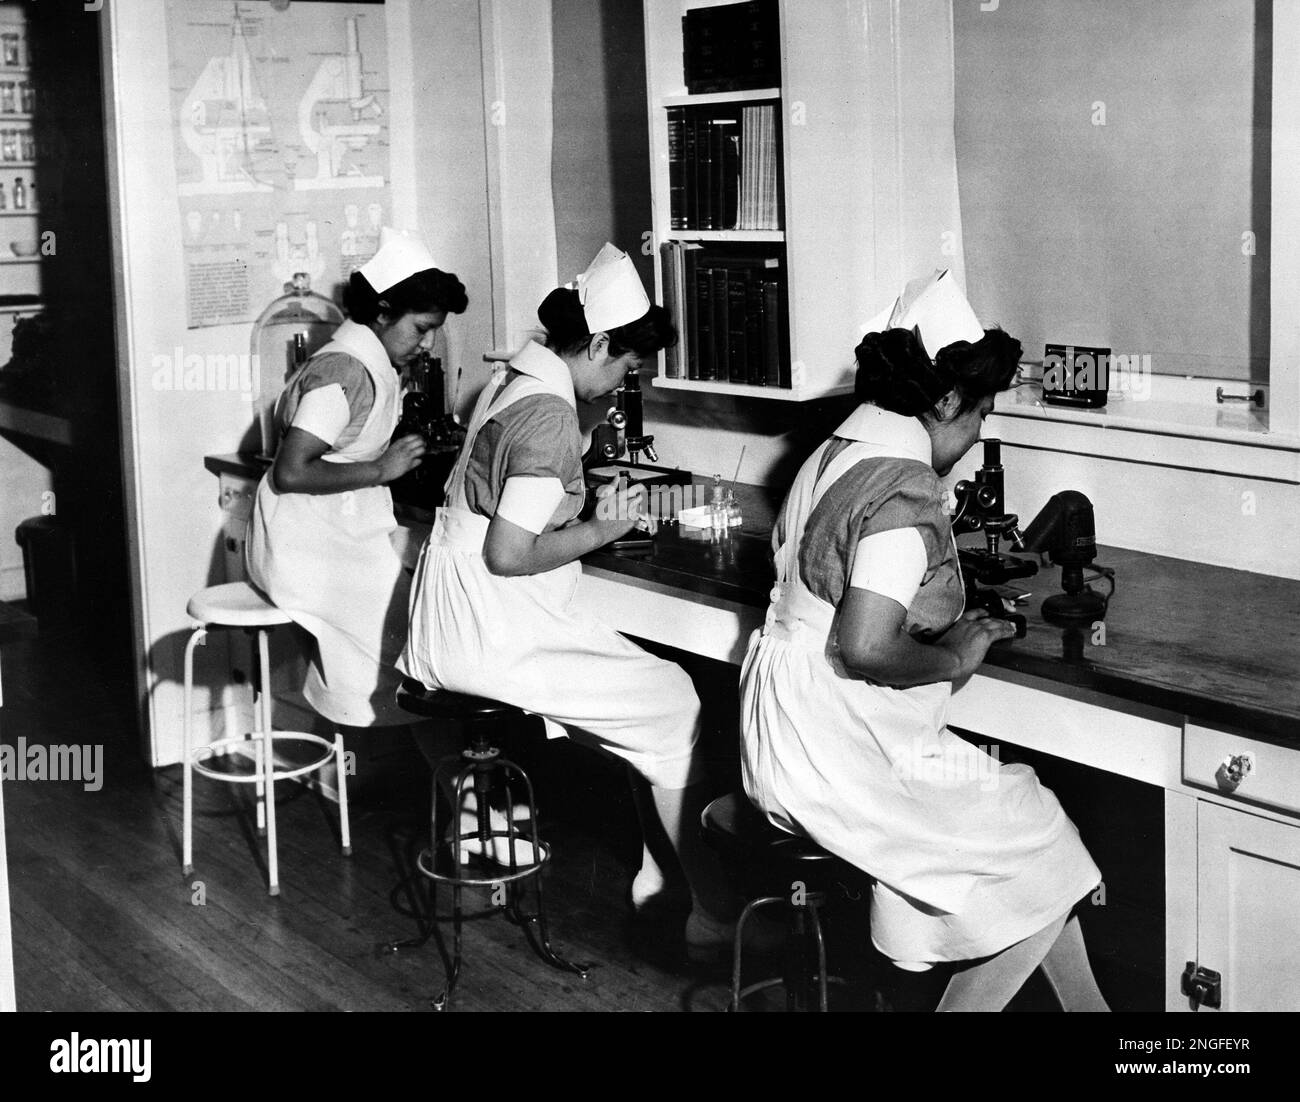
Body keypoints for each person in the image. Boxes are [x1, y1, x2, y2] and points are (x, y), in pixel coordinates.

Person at [739, 271, 1109, 1011]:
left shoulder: (833, 452)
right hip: (833, 742)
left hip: (782, 725)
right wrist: (955, 656)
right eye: (978, 417)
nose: (976, 439)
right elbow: (866, 647)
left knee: (1010, 845)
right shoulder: (901, 488)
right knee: (1038, 824)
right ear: (944, 401)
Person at [400, 243, 741, 952]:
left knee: (647, 695)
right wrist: (601, 526)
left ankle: (662, 874)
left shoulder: (512, 380)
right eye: (622, 365)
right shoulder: (553, 414)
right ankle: (709, 906)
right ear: (599, 343)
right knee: (675, 696)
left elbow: (501, 505)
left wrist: (582, 509)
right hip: (492, 630)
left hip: (449, 620)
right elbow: (509, 551)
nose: (621, 384)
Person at [247, 229, 468, 728]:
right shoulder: (346, 371)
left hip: (330, 531)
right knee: (427, 648)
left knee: (433, 601)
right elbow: (291, 469)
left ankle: (455, 781)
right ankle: (460, 779)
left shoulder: (369, 361)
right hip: (305, 544)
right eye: (421, 328)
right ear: (384, 312)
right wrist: (383, 468)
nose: (428, 342)